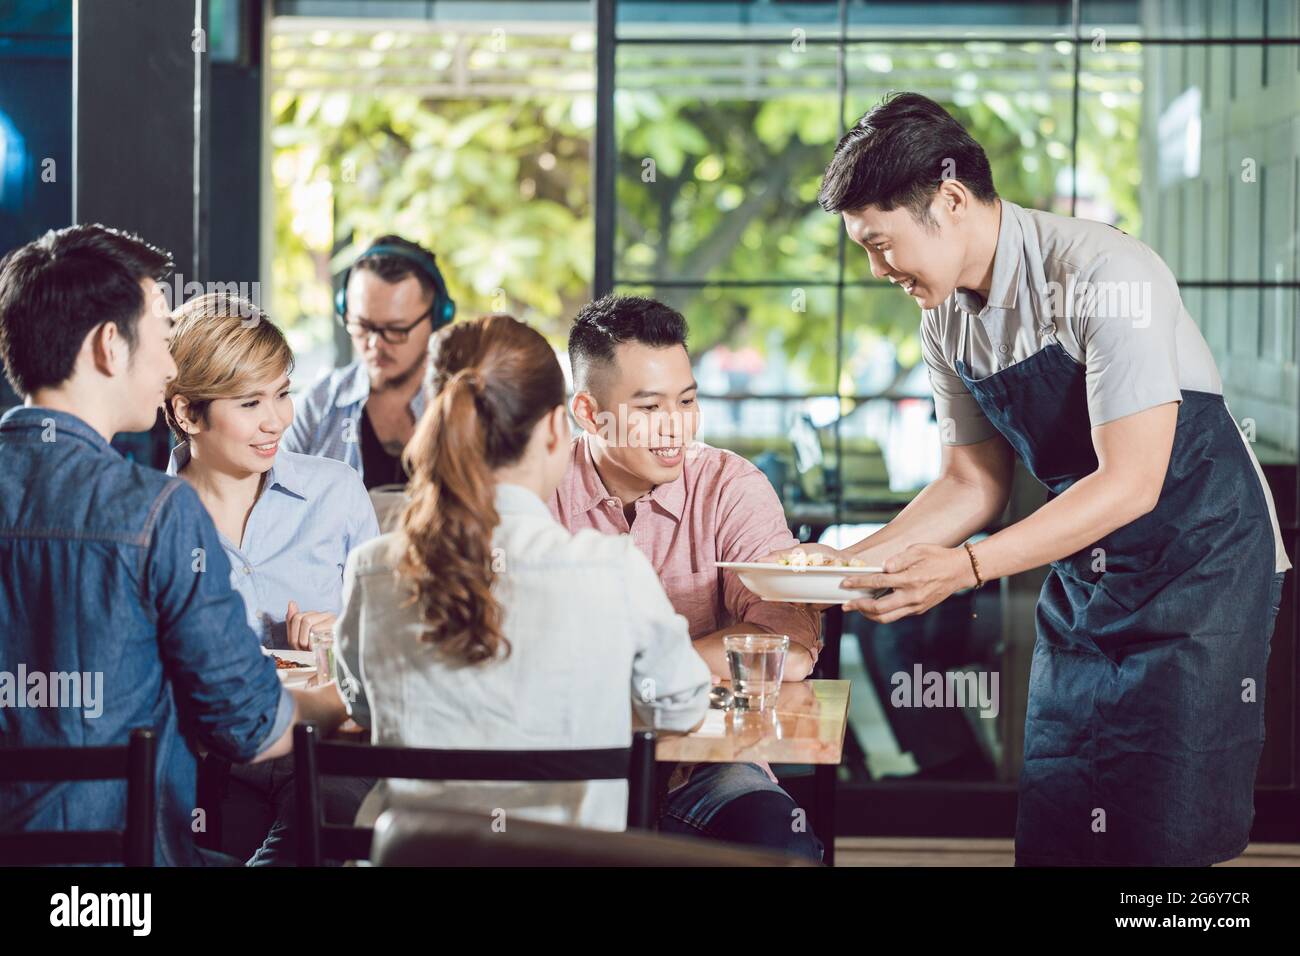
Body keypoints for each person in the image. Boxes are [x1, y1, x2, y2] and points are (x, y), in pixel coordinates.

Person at [812, 92, 1290, 866]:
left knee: (1163, 830)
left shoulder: (1105, 272)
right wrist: (851, 565)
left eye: (882, 243)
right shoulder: (945, 321)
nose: (876, 270)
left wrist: (965, 568)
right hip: (1091, 570)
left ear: (952, 200)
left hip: (1200, 568)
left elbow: (1133, 482)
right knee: (1065, 810)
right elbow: (971, 483)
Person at [0, 224, 346, 866]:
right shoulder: (155, 510)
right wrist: (341, 701)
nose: (168, 365)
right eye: (162, 335)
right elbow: (246, 723)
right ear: (109, 346)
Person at [336, 313, 712, 831]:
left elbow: (364, 709)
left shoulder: (372, 569)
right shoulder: (612, 568)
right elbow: (680, 706)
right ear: (559, 427)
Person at [553, 294, 824, 859]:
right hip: (564, 765)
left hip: (705, 766)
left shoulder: (730, 486)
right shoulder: (541, 486)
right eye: (649, 408)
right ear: (587, 412)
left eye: (687, 401)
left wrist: (610, 670)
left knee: (782, 841)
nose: (675, 427)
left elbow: (787, 651)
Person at [163, 292, 379, 865]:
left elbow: (388, 649)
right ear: (187, 413)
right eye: (251, 402)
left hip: (328, 749)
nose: (278, 419)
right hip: (209, 757)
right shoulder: (150, 519)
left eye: (282, 393)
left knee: (320, 826)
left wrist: (344, 641)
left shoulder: (336, 492)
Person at [283, 235, 456, 489]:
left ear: (438, 318)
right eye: (362, 326)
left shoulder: (468, 405)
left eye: (396, 329)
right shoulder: (317, 406)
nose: (374, 344)